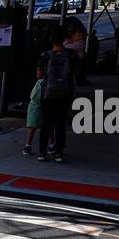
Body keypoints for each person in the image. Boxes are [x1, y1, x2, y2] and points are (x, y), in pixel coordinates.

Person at [36, 27, 76, 162]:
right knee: (60, 124)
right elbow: (77, 72)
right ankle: (59, 153)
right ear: (64, 39)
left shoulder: (45, 55)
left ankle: (42, 152)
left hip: (48, 93)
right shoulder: (71, 55)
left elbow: (39, 75)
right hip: (65, 93)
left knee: (46, 124)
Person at [22, 78, 44, 155]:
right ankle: (51, 145)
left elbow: (34, 97)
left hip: (36, 104)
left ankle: (28, 146)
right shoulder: (40, 82)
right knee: (48, 126)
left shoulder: (40, 82)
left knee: (32, 126)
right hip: (38, 104)